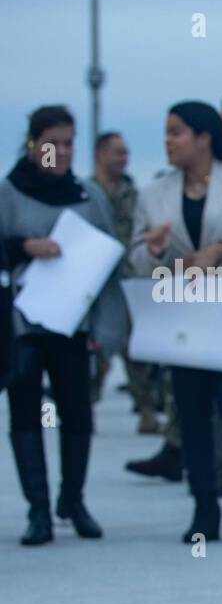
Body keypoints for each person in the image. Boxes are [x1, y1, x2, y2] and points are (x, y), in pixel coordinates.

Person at [128, 101, 222, 543]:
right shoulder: (154, 192)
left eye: (177, 132)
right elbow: (136, 260)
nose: (168, 140)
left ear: (204, 137)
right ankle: (204, 508)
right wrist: (153, 251)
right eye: (166, 132)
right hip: (182, 317)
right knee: (190, 413)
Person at [0, 104, 127, 545]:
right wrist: (23, 246)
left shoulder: (89, 195)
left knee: (77, 412)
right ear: (34, 144)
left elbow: (110, 265)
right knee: (25, 414)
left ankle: (72, 499)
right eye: (54, 143)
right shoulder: (9, 191)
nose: (64, 151)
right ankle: (38, 511)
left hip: (73, 326)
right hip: (23, 325)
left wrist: (107, 328)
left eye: (71, 143)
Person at [93, 131, 152, 427]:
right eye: (118, 152)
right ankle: (83, 409)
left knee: (136, 348)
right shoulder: (85, 192)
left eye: (126, 153)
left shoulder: (136, 195)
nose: (123, 159)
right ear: (101, 153)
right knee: (94, 349)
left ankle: (147, 411)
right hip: (93, 284)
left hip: (128, 278)